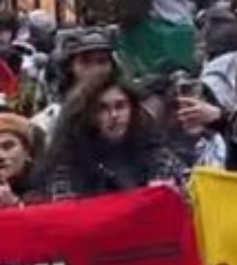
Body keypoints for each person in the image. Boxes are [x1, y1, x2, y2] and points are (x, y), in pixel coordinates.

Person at [31, 74, 182, 201]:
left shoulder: (155, 153)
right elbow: (65, 211)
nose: (114, 115)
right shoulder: (66, 163)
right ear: (87, 115)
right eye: (102, 109)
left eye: (121, 106)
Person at [0, 113, 35, 208]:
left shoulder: (47, 191)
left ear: (27, 152)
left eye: (7, 147)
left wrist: (15, 206)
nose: (0, 156)